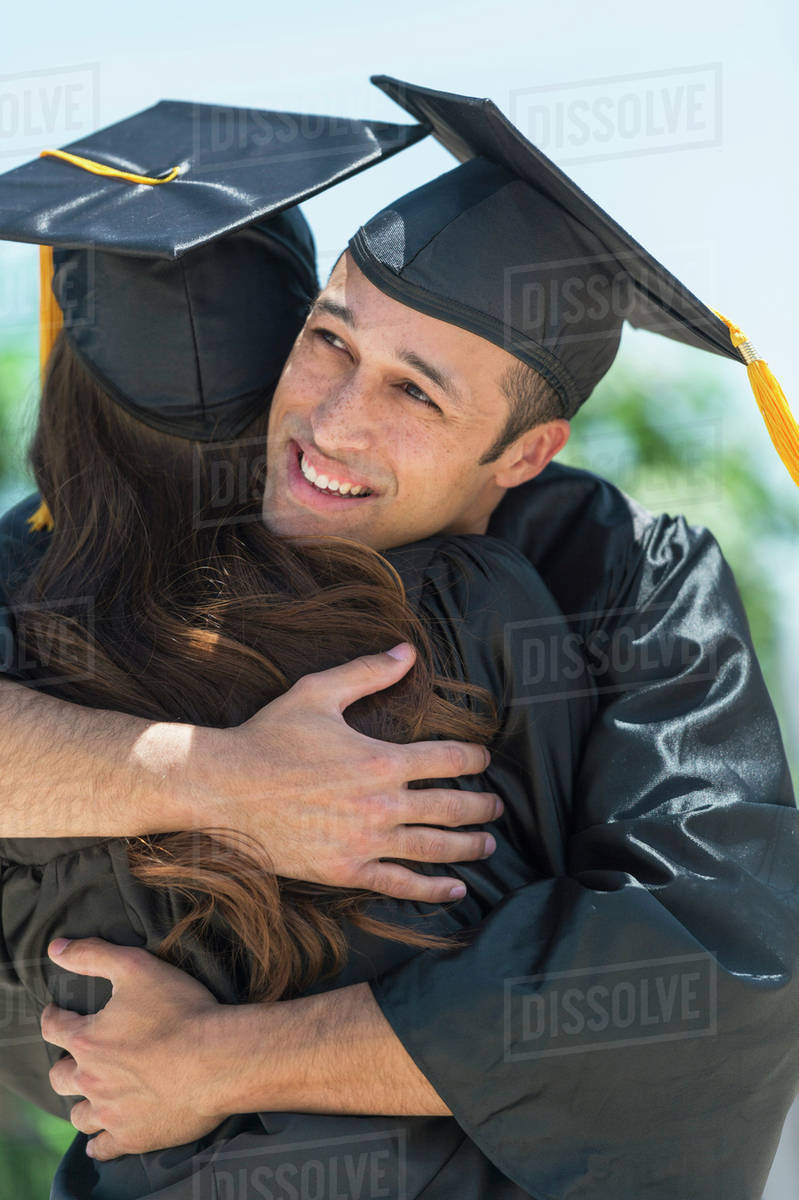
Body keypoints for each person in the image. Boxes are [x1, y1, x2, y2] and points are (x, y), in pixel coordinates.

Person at [1, 78, 798, 1198]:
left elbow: (716, 961)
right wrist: (221, 780)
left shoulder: (618, 581)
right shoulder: (100, 565)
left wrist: (214, 1061)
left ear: (525, 453)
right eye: (328, 341)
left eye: (415, 396)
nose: (330, 423)